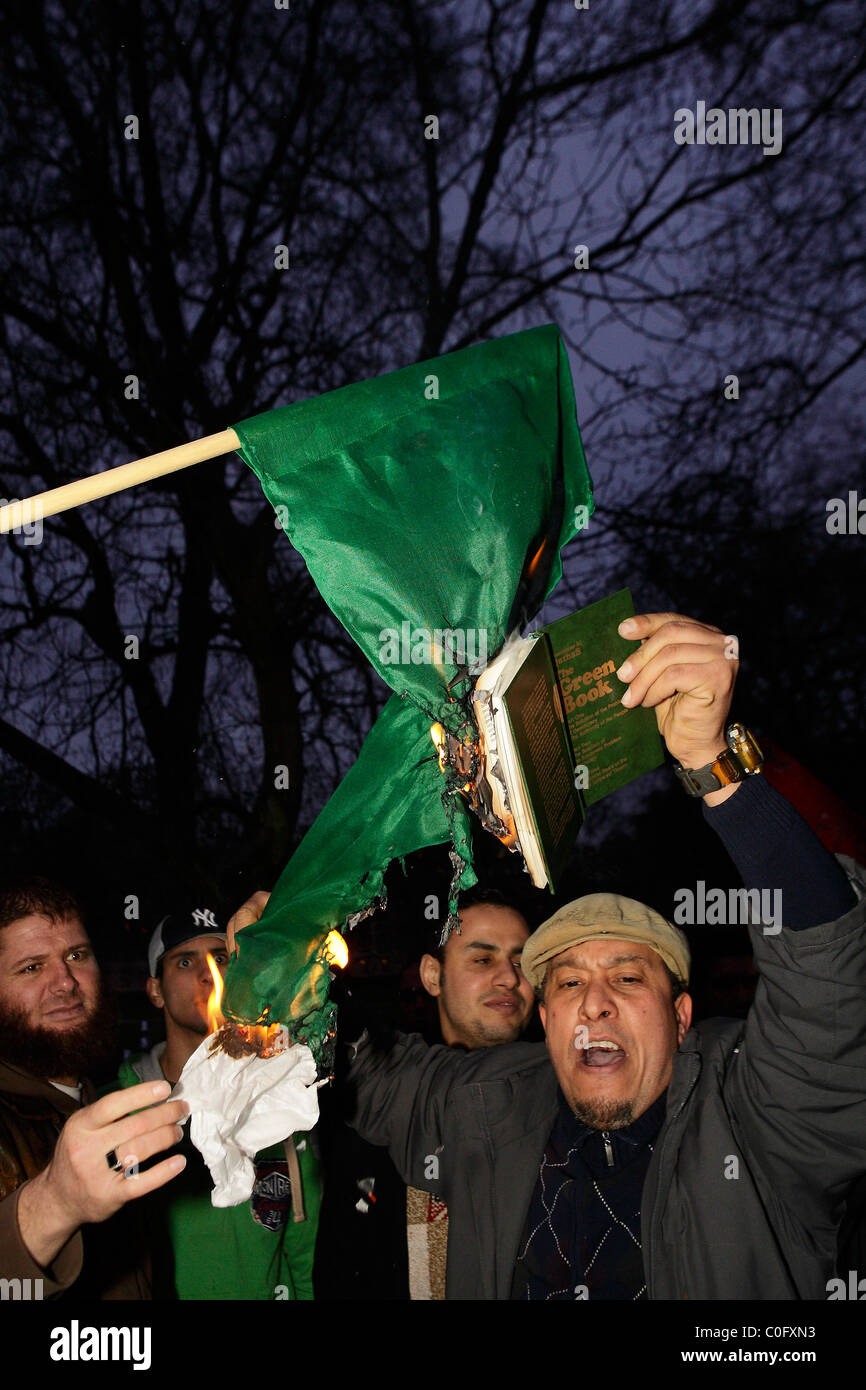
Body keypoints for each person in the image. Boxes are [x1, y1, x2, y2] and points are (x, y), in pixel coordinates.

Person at [343, 611, 866, 1298]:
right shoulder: (487, 1105)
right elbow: (360, 1068)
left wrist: (719, 770)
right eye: (565, 985)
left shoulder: (753, 1117)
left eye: (627, 976)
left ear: (681, 1017)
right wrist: (286, 948)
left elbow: (827, 978)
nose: (594, 1001)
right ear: (547, 1020)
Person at [313, 887, 536, 1299]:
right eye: (483, 959)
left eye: (522, 962)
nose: (509, 977)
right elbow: (341, 1265)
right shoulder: (374, 1103)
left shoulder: (560, 1108)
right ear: (433, 975)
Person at [117, 904, 321, 1300]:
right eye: (184, 961)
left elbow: (305, 1252)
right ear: (155, 990)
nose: (206, 974)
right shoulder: (119, 1109)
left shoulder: (280, 1094)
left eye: (221, 957)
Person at [0, 877, 187, 1297]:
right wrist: (54, 1204)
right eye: (31, 967)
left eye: (76, 955)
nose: (66, 981)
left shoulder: (96, 1100)